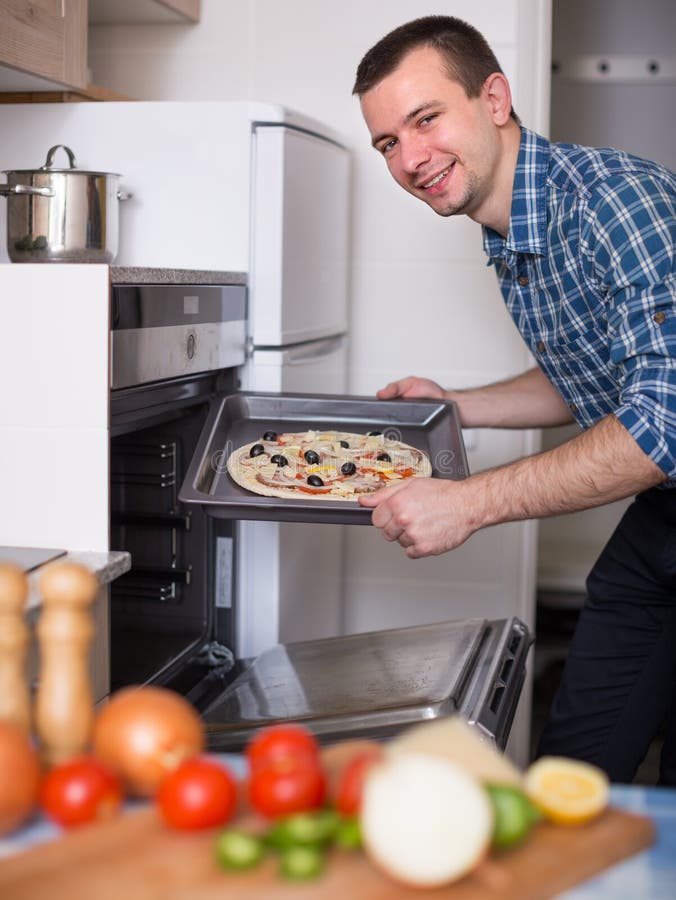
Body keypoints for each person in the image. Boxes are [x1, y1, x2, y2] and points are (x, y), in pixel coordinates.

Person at [352, 15, 676, 785]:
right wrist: (456, 404)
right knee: (573, 766)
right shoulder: (507, 230)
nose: (412, 158)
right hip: (663, 517)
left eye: (426, 119)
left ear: (493, 97)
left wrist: (467, 503)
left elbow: (664, 423)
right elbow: (591, 375)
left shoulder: (614, 204)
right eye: (389, 143)